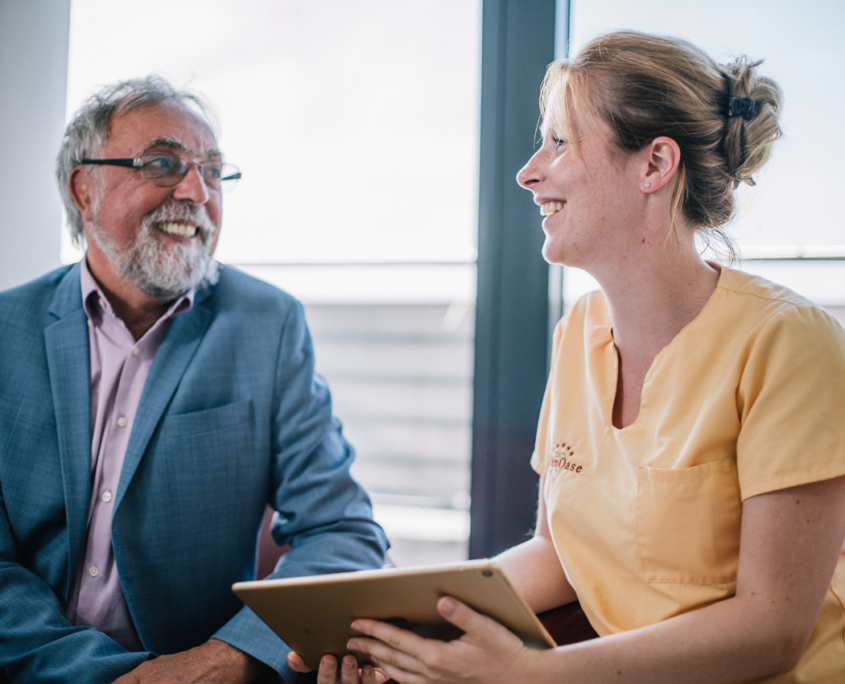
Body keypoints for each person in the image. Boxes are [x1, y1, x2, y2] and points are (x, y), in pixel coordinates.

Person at [293, 31, 845, 684]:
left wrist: (524, 675)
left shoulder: (789, 342)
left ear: (653, 165)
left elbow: (770, 630)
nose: (529, 171)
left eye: (559, 142)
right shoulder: (579, 332)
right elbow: (560, 552)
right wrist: (395, 625)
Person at [0, 76, 388, 684]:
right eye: (163, 163)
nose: (196, 190)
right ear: (84, 187)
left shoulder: (268, 324)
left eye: (212, 170)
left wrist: (227, 660)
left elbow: (341, 531)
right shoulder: (6, 331)